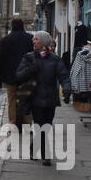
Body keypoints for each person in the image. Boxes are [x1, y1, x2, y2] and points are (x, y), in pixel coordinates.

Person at [15, 30, 71, 166]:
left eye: (37, 39)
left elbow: (63, 75)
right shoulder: (28, 58)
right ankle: (46, 155)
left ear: (44, 42)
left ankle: (34, 147)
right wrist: (30, 70)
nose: (33, 41)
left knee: (46, 124)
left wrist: (67, 88)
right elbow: (18, 75)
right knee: (41, 124)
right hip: (34, 97)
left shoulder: (55, 59)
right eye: (33, 39)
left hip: (51, 98)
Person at [0, 17, 34, 129]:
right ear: (23, 26)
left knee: (11, 99)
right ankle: (27, 125)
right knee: (26, 99)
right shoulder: (30, 39)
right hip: (26, 76)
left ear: (12, 26)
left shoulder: (5, 40)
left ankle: (12, 122)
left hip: (10, 76)